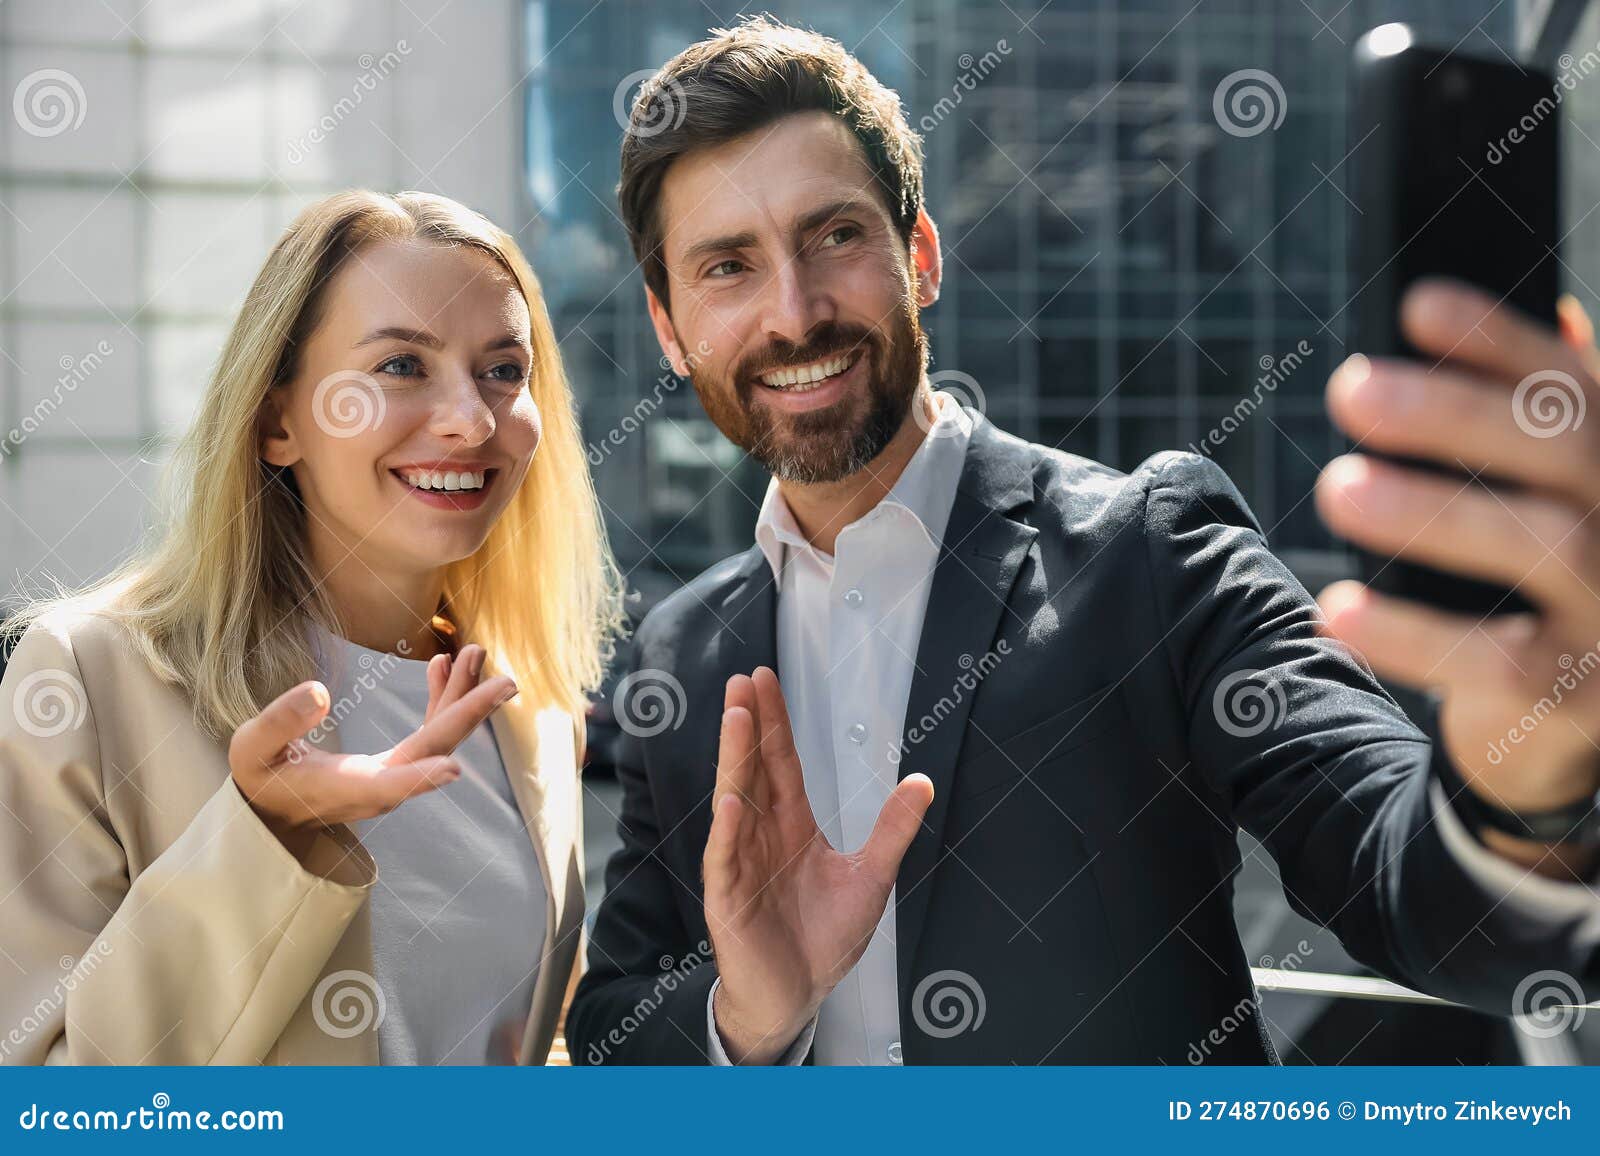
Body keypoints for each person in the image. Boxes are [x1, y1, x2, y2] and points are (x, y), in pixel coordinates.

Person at [567, 17, 1600, 1065]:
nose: (793, 314)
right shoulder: (679, 654)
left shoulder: (1146, 550)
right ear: (668, 325)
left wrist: (1523, 784)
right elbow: (610, 1024)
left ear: (918, 255)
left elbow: (1411, 891)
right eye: (727, 266)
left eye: (834, 236)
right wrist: (748, 1018)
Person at [0, 190, 622, 1065]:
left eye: (504, 369)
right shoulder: (87, 678)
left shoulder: (527, 706)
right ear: (277, 421)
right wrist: (259, 835)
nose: (471, 420)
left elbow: (524, 1036)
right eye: (401, 365)